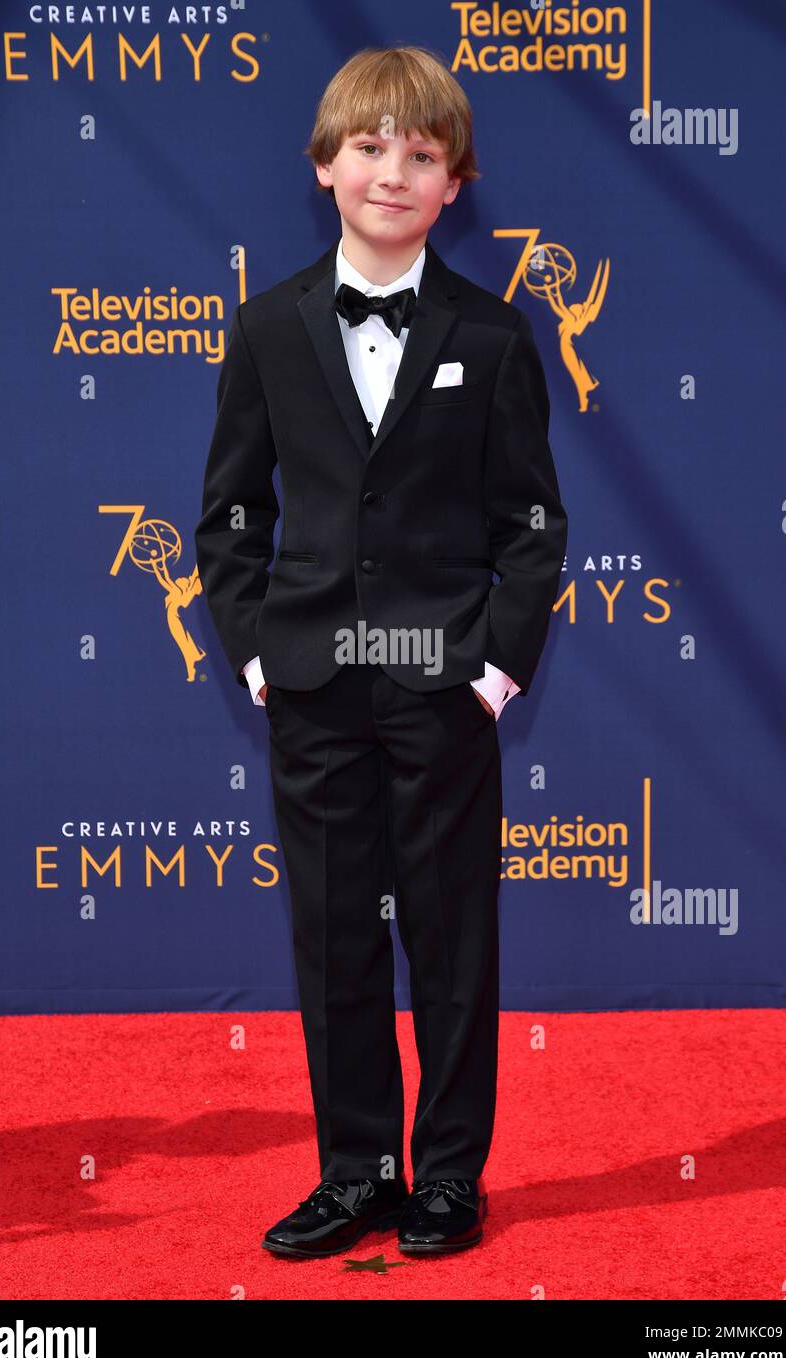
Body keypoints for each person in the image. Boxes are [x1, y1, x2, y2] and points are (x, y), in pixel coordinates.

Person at [195, 44, 567, 1258]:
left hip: (440, 682)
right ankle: (357, 1168)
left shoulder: (498, 335)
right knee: (333, 931)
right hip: (310, 682)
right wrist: (255, 650)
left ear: (454, 182)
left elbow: (532, 522)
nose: (393, 173)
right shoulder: (265, 326)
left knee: (453, 937)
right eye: (370, 148)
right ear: (324, 165)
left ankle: (450, 1176)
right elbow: (233, 512)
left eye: (421, 155)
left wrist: (493, 668)